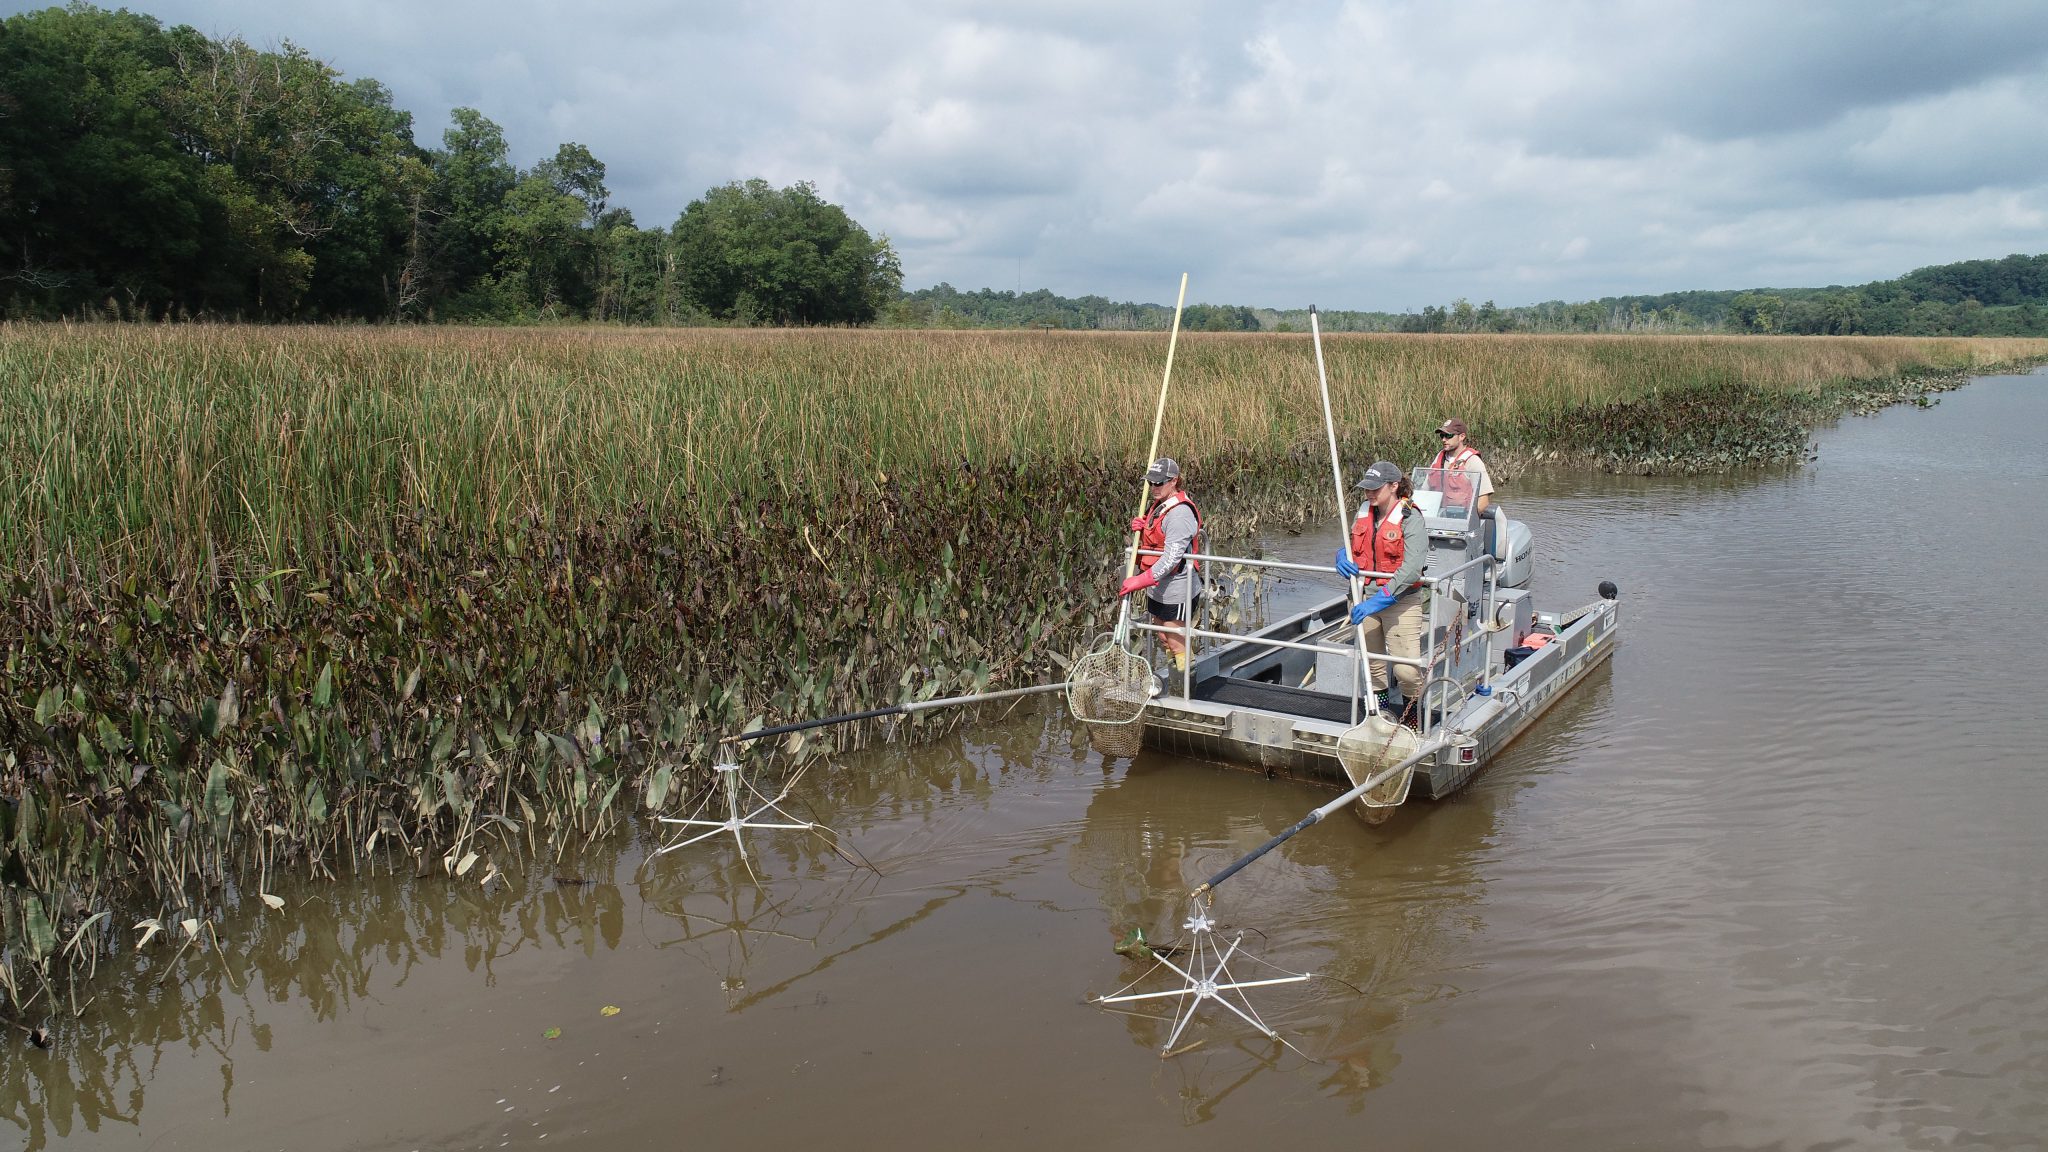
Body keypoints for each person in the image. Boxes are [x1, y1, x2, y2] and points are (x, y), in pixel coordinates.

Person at [1333, 460, 1428, 720]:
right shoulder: (1364, 513)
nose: (1369, 493)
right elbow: (1352, 545)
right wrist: (1342, 555)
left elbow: (1411, 569)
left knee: (1406, 670)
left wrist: (1382, 599)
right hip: (1364, 598)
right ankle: (1379, 715)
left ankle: (1412, 720)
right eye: (1366, 489)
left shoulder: (1411, 517)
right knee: (1372, 664)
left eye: (1375, 488)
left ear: (1394, 486)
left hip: (1400, 601)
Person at [1119, 457, 1202, 671]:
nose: (1154, 488)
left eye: (1159, 483)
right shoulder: (1159, 504)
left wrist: (1140, 580)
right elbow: (1156, 536)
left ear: (1174, 481)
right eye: (1151, 483)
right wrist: (1143, 526)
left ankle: (1186, 684)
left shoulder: (1180, 513)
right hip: (1157, 588)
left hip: (1177, 586)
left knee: (1175, 641)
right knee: (1164, 637)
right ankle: (1175, 676)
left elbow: (1172, 558)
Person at [1424, 418, 1493, 516]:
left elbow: (1483, 502)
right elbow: (1424, 492)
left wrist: (1464, 522)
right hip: (1437, 519)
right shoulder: (1439, 458)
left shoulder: (1473, 461)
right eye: (1442, 435)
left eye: (1448, 435)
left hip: (1462, 523)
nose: (1444, 439)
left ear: (1462, 436)